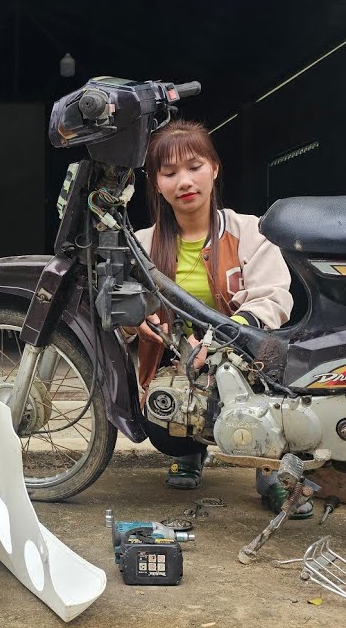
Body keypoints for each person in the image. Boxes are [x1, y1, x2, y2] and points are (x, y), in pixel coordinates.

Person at [132, 120, 308, 515]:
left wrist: (220, 342)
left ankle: (270, 467)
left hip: (247, 361)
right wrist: (137, 321)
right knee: (162, 425)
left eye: (194, 166)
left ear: (214, 167)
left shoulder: (251, 232)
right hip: (179, 366)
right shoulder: (143, 245)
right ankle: (188, 450)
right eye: (169, 172)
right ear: (156, 183)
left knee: (278, 374)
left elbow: (273, 298)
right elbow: (125, 310)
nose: (184, 181)